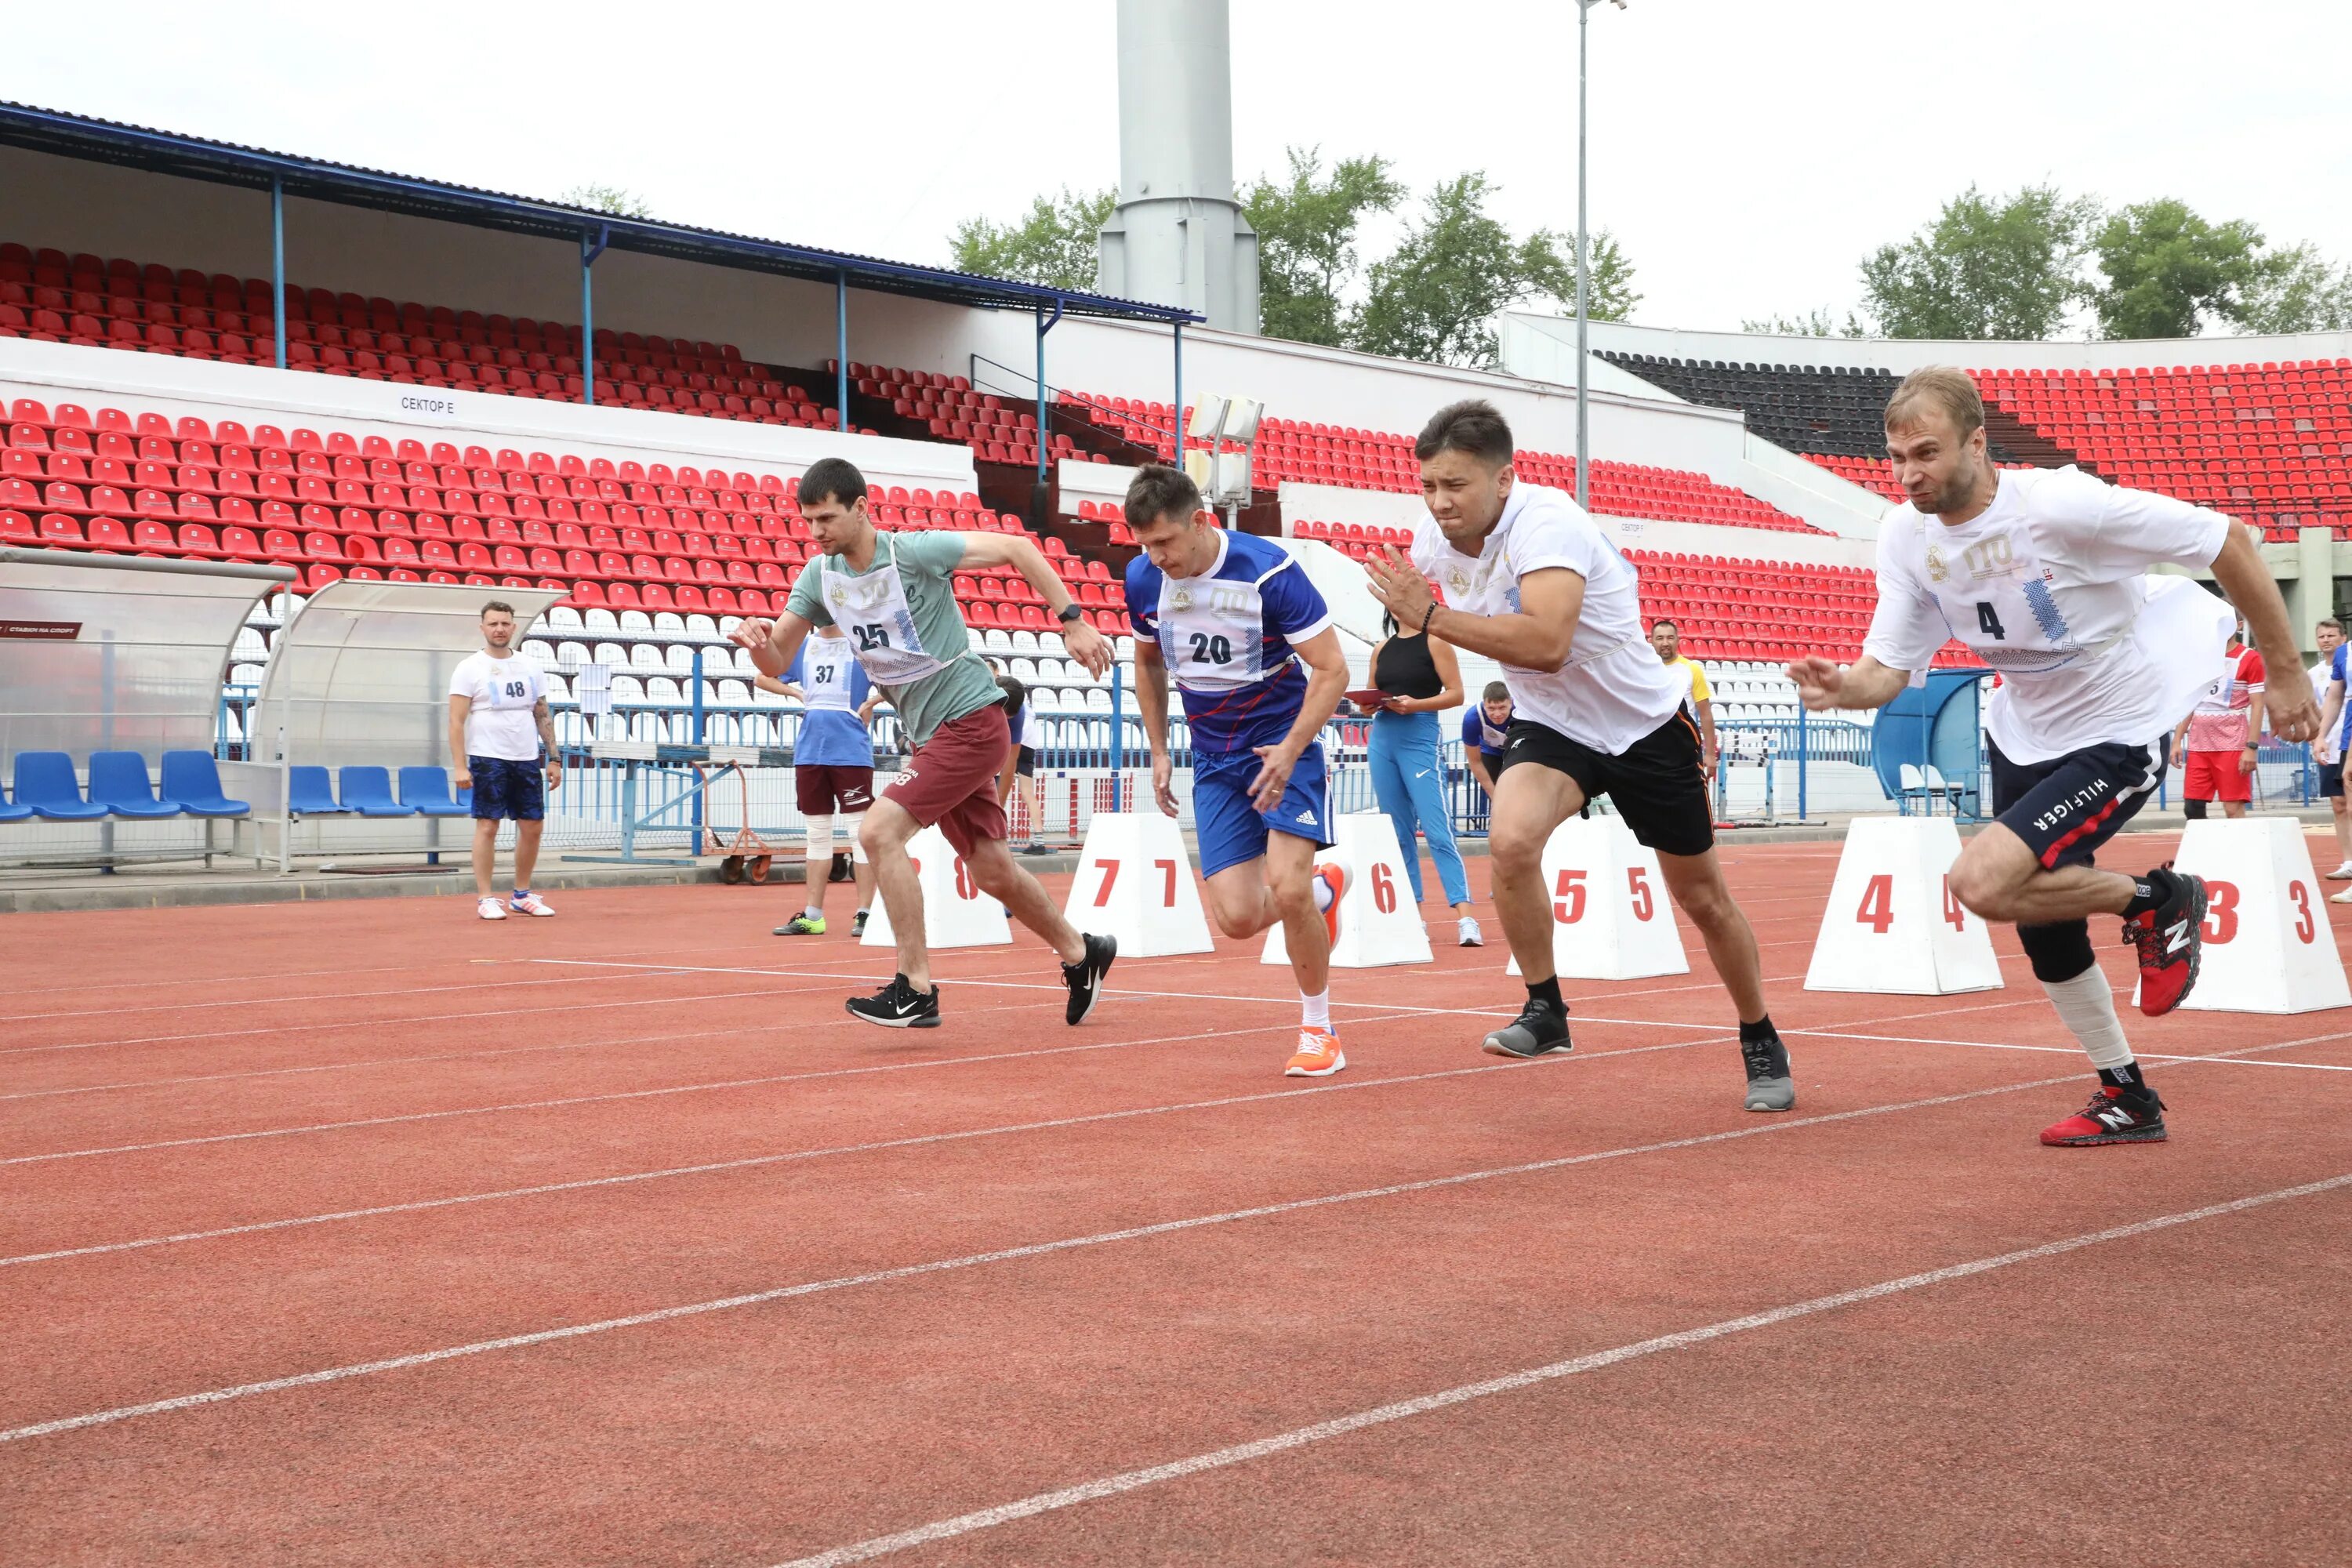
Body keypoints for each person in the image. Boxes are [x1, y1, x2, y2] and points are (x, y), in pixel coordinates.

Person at [1788, 367, 2318, 1147]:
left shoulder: (2061, 506)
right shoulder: (1906, 534)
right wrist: (1842, 687)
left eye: (1927, 453)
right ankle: (2127, 1094)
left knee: (1981, 880)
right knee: (2046, 927)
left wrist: (2286, 669)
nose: (1909, 475)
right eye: (1896, 457)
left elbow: (2227, 539)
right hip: (2023, 726)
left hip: (2117, 720)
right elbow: (1888, 668)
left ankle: (2155, 898)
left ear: (1977, 441)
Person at [1365, 399, 1795, 1112]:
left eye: (1456, 486)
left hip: (1643, 725)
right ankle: (1546, 1010)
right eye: (1430, 486)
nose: (1440, 503)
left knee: (1702, 898)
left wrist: (1434, 617)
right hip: (1553, 724)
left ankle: (1759, 1035)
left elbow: (1546, 643)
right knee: (1509, 840)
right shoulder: (1431, 542)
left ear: (1504, 480)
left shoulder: (1548, 522)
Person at [731, 457, 1118, 1028]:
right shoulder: (819, 576)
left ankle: (915, 987)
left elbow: (1019, 549)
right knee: (993, 873)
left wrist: (1072, 619)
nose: (817, 532)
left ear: (862, 508)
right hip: (931, 734)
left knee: (877, 830)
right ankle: (1084, 954)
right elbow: (779, 658)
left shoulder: (912, 553)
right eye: (809, 520)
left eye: (828, 518)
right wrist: (755, 640)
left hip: (971, 719)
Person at [1124, 464, 1354, 1076]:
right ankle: (1327, 888)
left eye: (1165, 542)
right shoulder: (1143, 580)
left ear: (1201, 521)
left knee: (1288, 885)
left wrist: (1291, 746)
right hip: (1213, 757)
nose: (1156, 557)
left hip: (1283, 745)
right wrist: (1158, 748)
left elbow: (1332, 670)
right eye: (1145, 545)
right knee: (1238, 920)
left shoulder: (1270, 571)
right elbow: (1147, 664)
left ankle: (1318, 1028)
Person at [757, 619, 882, 938]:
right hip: (810, 750)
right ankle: (813, 915)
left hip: (850, 751)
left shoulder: (861, 646)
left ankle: (865, 913)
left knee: (860, 834)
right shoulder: (803, 647)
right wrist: (798, 694)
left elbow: (903, 679)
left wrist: (869, 703)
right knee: (817, 833)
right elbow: (761, 677)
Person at [1365, 610, 1481, 946]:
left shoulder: (1436, 643)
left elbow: (1456, 693)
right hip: (1382, 739)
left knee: (1437, 829)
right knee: (1398, 833)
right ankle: (1415, 918)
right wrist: (1367, 705)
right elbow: (1371, 696)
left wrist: (1415, 705)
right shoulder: (1380, 648)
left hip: (1419, 737)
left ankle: (1466, 918)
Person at [448, 601, 561, 920]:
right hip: (487, 756)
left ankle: (522, 894)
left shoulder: (530, 666)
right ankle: (485, 897)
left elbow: (541, 712)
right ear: (482, 627)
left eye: (505, 623)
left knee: (533, 826)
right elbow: (456, 721)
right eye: (493, 623)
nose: (499, 629)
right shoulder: (469, 667)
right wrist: (460, 765)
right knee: (488, 825)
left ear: (513, 627)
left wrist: (554, 757)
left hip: (525, 756)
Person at [2170, 629, 2265, 820]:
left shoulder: (2250, 658)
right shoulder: (2200, 659)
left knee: (2232, 808)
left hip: (2232, 744)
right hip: (2199, 745)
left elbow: (2258, 705)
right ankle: (2206, 849)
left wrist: (2251, 747)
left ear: (2237, 625)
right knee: (2193, 807)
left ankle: (2238, 850)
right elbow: (2191, 702)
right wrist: (2177, 740)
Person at [1650, 619, 1719, 782]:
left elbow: (1706, 714)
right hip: (1651, 746)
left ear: (1678, 640)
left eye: (1670, 637)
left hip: (1684, 746)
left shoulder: (1691, 669)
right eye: (1660, 638)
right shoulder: (1644, 669)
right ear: (1651, 641)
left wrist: (1710, 754)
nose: (1665, 643)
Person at [995, 677, 1050, 855]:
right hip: (1029, 744)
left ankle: (995, 828)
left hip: (1015, 741)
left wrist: (997, 811)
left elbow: (1009, 769)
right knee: (1028, 792)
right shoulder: (1017, 700)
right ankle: (1039, 839)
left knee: (995, 781)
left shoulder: (1015, 711)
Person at [1461, 681, 1513, 809]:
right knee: (1498, 795)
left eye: (1502, 708)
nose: (1497, 714)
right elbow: (1474, 762)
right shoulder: (1472, 719)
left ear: (1510, 703)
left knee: (1518, 791)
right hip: (1490, 752)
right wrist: (1494, 797)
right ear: (1484, 705)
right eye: (1491, 708)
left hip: (1515, 751)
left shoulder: (1522, 712)